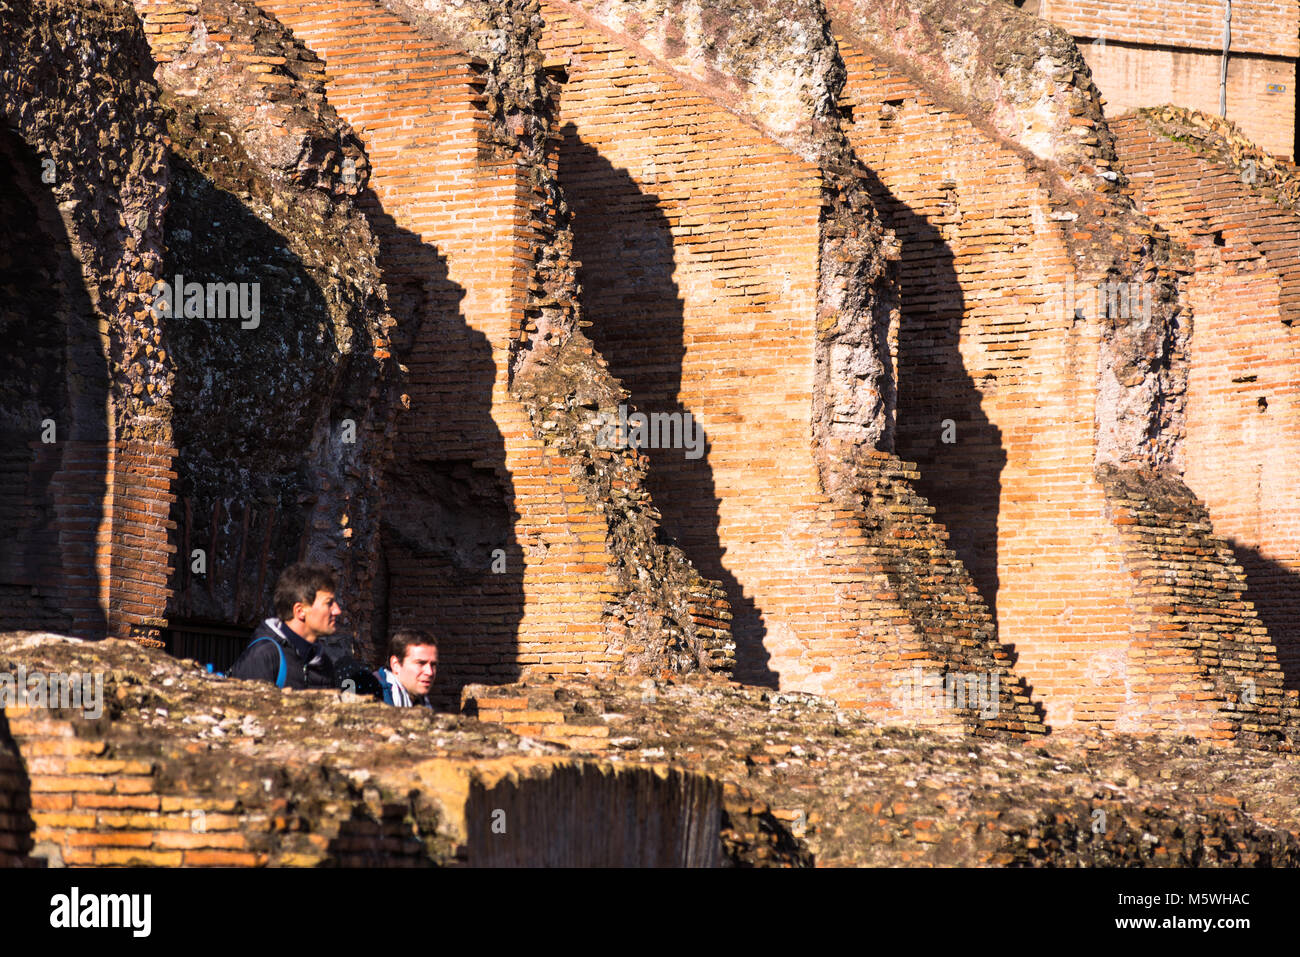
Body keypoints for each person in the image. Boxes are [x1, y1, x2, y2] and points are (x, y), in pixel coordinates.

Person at [228, 562, 341, 690]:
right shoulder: (264, 657)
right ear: (300, 611)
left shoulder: (323, 664)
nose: (337, 610)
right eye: (329, 603)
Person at [373, 628, 438, 709]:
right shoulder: (375, 696)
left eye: (433, 664)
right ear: (395, 665)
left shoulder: (421, 700)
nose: (430, 672)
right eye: (420, 663)